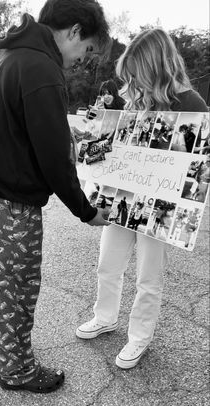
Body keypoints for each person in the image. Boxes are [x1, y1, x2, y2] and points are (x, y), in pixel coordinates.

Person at [0, 0, 110, 393]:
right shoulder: (42, 69)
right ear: (73, 32)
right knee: (17, 282)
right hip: (12, 198)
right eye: (85, 51)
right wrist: (86, 211)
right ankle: (18, 371)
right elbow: (54, 159)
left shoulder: (10, 52)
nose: (81, 61)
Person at [76, 28, 208, 369]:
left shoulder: (192, 104)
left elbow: (200, 167)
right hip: (125, 196)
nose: (132, 80)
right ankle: (105, 317)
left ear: (154, 66)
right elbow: (100, 151)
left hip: (161, 208)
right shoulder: (134, 100)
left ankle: (140, 337)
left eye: (136, 72)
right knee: (108, 264)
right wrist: (96, 122)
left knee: (149, 278)